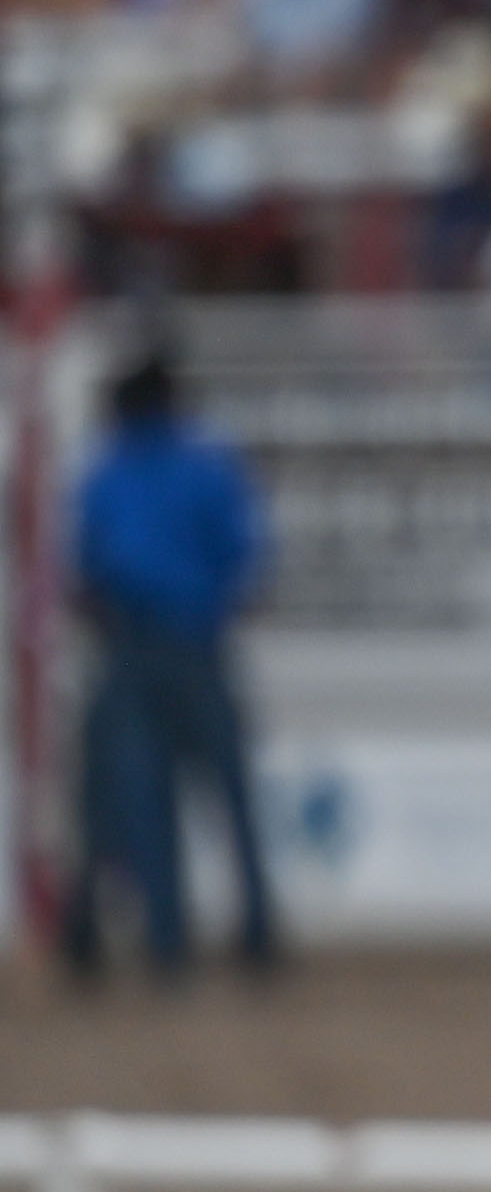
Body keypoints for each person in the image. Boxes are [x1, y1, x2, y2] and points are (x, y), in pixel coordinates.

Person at [66, 349, 277, 983]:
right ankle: (259, 934)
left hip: (132, 646)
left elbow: (83, 567)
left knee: (139, 799)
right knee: (230, 796)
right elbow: (249, 552)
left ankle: (167, 944)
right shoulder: (209, 464)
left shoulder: (105, 470)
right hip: (199, 643)